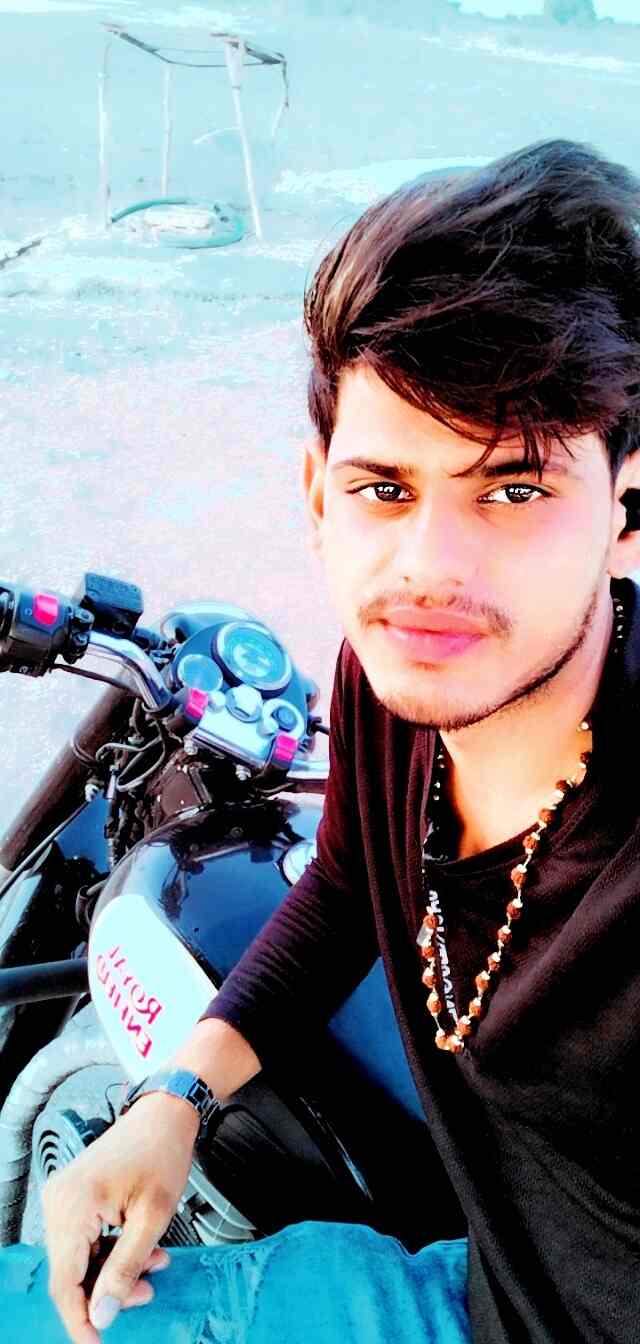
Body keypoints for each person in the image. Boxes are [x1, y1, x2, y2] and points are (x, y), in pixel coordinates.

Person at [11, 135, 640, 1343]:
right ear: (318, 498)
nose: (427, 570)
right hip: (484, 1285)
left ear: (625, 511)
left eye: (513, 491)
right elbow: (349, 883)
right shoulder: (397, 681)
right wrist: (176, 1099)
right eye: (384, 489)